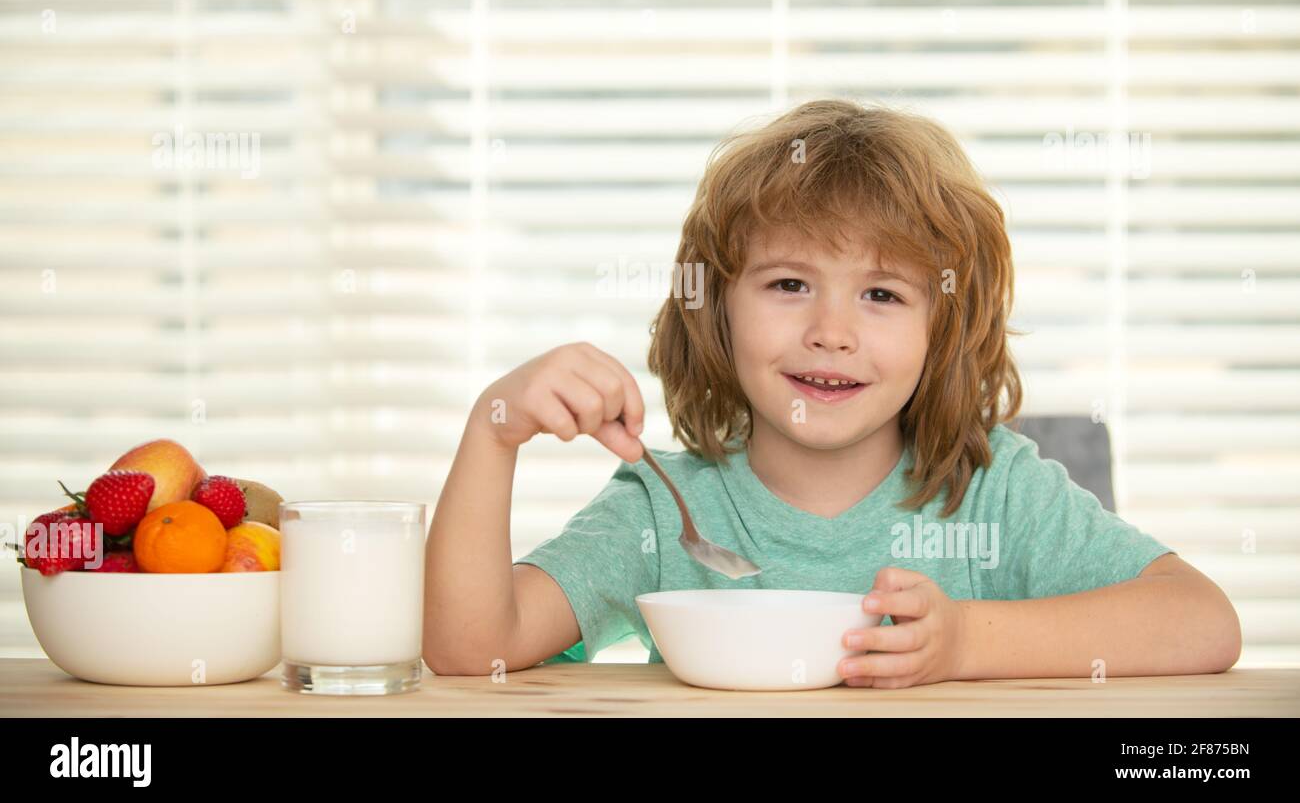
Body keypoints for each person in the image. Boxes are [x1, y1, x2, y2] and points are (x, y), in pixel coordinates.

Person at [422, 99, 1241, 688]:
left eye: (882, 295)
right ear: (715, 312)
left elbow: (1203, 622)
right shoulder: (663, 512)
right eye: (788, 284)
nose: (832, 331)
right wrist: (494, 431)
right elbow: (469, 647)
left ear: (941, 331)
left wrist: (965, 641)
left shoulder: (992, 495)